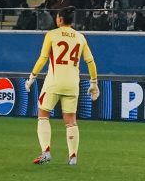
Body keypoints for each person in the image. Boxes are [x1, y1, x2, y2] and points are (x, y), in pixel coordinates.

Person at [30, 9, 98, 166]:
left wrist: (32, 76)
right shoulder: (80, 37)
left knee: (43, 114)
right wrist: (94, 82)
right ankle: (73, 157)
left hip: (54, 82)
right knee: (70, 120)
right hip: (72, 84)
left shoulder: (52, 35)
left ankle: (46, 152)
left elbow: (43, 58)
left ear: (60, 19)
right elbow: (90, 61)